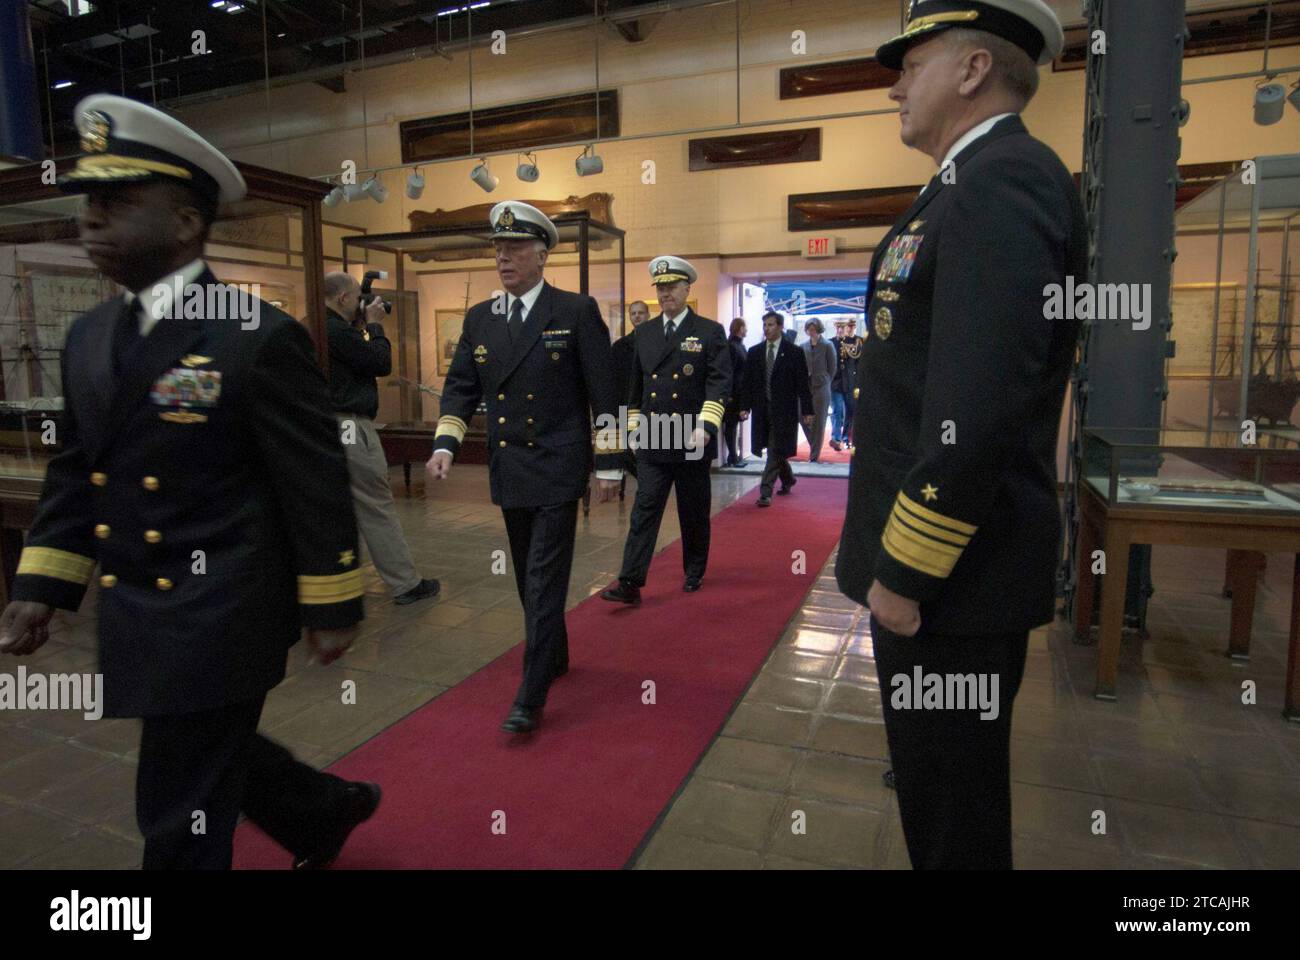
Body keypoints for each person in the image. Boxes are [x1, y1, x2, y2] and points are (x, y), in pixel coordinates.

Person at [0, 94, 379, 870]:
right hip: (138, 599)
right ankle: (322, 812)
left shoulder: (253, 335)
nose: (91, 220)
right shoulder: (88, 336)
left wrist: (333, 598)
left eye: (115, 202)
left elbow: (311, 476)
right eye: (87, 203)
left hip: (225, 602)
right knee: (202, 750)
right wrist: (43, 581)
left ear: (185, 223)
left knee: (177, 808)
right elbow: (80, 466)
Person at [835, 0, 1078, 870]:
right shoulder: (963, 184)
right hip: (948, 576)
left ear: (973, 70)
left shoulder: (1001, 180)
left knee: (955, 822)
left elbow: (976, 408)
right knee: (941, 796)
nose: (895, 85)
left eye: (911, 62)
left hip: (950, 579)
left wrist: (904, 572)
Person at [426, 201, 623, 734]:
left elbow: (603, 392)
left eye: (514, 248)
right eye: (498, 248)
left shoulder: (574, 311)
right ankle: (553, 654)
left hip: (559, 465)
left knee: (543, 578)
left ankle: (531, 693)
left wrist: (607, 465)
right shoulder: (481, 318)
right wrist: (446, 443)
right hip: (510, 466)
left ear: (541, 255)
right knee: (525, 577)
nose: (503, 257)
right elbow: (461, 388)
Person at [599, 256, 730, 604]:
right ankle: (630, 581)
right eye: (661, 287)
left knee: (693, 510)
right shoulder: (644, 333)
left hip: (690, 436)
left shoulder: (708, 331)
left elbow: (719, 383)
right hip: (654, 437)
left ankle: (694, 570)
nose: (666, 292)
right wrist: (630, 431)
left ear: (688, 288)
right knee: (645, 509)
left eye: (673, 286)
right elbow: (635, 389)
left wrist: (707, 424)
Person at [324, 272, 440, 605]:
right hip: (349, 426)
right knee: (376, 505)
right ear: (345, 298)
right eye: (357, 297)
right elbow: (380, 362)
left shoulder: (318, 328)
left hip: (326, 426)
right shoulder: (335, 331)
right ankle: (405, 583)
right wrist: (374, 325)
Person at [739, 311, 812, 507]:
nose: (767, 329)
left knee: (774, 447)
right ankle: (788, 479)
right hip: (762, 409)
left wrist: (807, 411)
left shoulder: (794, 352)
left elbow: (803, 384)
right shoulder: (754, 352)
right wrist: (744, 406)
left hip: (785, 410)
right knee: (775, 448)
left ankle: (765, 492)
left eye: (771, 325)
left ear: (780, 327)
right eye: (765, 325)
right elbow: (747, 383)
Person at [611, 299, 652, 480]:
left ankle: (650, 479)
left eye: (640, 312)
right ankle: (644, 479)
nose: (637, 316)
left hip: (651, 404)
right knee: (627, 448)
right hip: (628, 405)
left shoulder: (658, 343)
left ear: (648, 315)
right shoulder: (620, 347)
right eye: (633, 313)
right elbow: (615, 380)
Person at [800, 318, 836, 462]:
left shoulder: (827, 345)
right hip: (806, 386)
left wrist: (825, 380)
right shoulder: (803, 346)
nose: (811, 331)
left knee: (819, 421)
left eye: (813, 328)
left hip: (822, 387)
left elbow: (833, 368)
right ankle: (814, 444)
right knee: (802, 417)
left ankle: (814, 455)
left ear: (818, 329)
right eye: (809, 328)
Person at [829, 319, 864, 451]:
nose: (840, 330)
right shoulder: (830, 343)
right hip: (836, 383)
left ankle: (845, 438)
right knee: (838, 410)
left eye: (842, 327)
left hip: (851, 382)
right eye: (838, 327)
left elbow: (858, 363)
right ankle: (836, 439)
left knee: (850, 411)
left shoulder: (855, 343)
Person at [721, 317, 748, 467]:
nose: (747, 330)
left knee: (734, 423)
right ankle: (732, 456)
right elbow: (729, 371)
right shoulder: (731, 346)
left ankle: (734, 455)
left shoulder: (740, 346)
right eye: (745, 327)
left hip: (739, 390)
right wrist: (729, 394)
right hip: (733, 392)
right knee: (731, 424)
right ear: (739, 328)